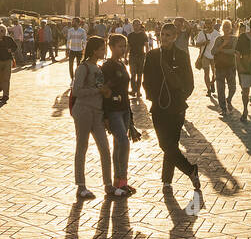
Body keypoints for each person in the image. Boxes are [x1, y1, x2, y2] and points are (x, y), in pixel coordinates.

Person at [142, 22, 201, 198]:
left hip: (176, 107)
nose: (164, 38)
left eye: (168, 35)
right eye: (162, 35)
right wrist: (153, 95)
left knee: (171, 144)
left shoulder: (181, 56)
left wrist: (180, 97)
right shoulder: (152, 55)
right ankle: (190, 169)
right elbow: (146, 80)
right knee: (164, 144)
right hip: (159, 107)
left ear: (175, 36)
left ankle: (167, 180)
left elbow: (189, 82)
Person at [69, 35, 114, 199]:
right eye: (102, 48)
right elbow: (76, 91)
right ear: (94, 50)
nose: (104, 51)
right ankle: (81, 185)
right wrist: (98, 91)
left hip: (98, 112)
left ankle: (108, 184)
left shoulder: (98, 67)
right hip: (83, 110)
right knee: (82, 147)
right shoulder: (83, 68)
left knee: (104, 147)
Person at [101, 35, 140, 196]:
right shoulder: (107, 66)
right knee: (123, 143)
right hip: (113, 110)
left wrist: (130, 116)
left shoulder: (122, 64)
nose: (123, 49)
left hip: (124, 109)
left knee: (119, 144)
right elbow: (103, 92)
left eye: (124, 46)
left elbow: (124, 91)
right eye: (119, 46)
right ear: (111, 47)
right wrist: (105, 116)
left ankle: (121, 182)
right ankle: (117, 181)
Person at [212, 20, 240, 112]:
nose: (227, 28)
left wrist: (221, 50)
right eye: (225, 27)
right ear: (222, 28)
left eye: (228, 27)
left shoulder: (234, 39)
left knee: (233, 87)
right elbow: (213, 51)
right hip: (219, 67)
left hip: (230, 67)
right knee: (220, 89)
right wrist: (222, 45)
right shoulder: (218, 39)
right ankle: (223, 107)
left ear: (231, 28)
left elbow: (233, 51)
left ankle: (229, 99)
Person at [0, 23, 18, 102]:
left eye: (2, 31)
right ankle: (1, 89)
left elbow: (15, 47)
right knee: (1, 78)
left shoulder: (9, 39)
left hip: (7, 61)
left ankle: (6, 95)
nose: (0, 32)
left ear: (5, 31)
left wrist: (11, 50)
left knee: (6, 78)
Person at [126, 20, 149, 98]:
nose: (136, 26)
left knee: (139, 75)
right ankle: (133, 90)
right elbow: (128, 47)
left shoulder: (143, 35)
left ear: (140, 26)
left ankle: (138, 91)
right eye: (135, 25)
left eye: (138, 25)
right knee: (132, 74)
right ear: (133, 26)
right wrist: (125, 56)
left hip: (141, 56)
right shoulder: (130, 35)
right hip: (132, 56)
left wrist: (147, 56)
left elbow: (146, 46)